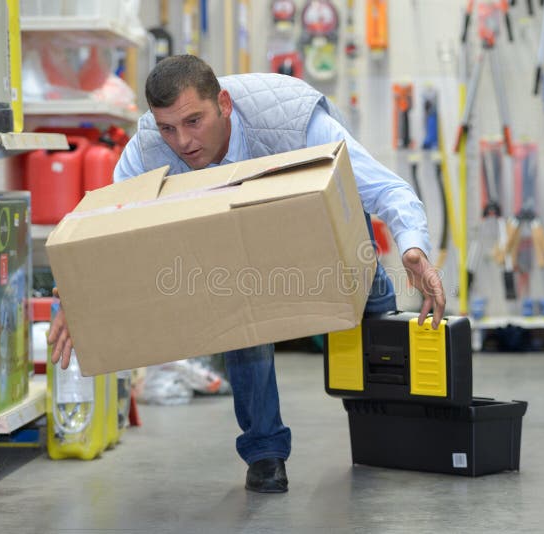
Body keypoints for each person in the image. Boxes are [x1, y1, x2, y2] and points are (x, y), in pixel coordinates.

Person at [49, 55, 446, 494]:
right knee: (238, 314)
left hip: (314, 234)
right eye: (168, 128)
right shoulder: (147, 146)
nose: (182, 141)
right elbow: (105, 228)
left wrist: (413, 250)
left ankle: (388, 427)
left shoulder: (290, 117)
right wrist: (74, 297)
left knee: (369, 294)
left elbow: (384, 189)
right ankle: (264, 453)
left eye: (194, 121)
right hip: (235, 255)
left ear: (224, 103)